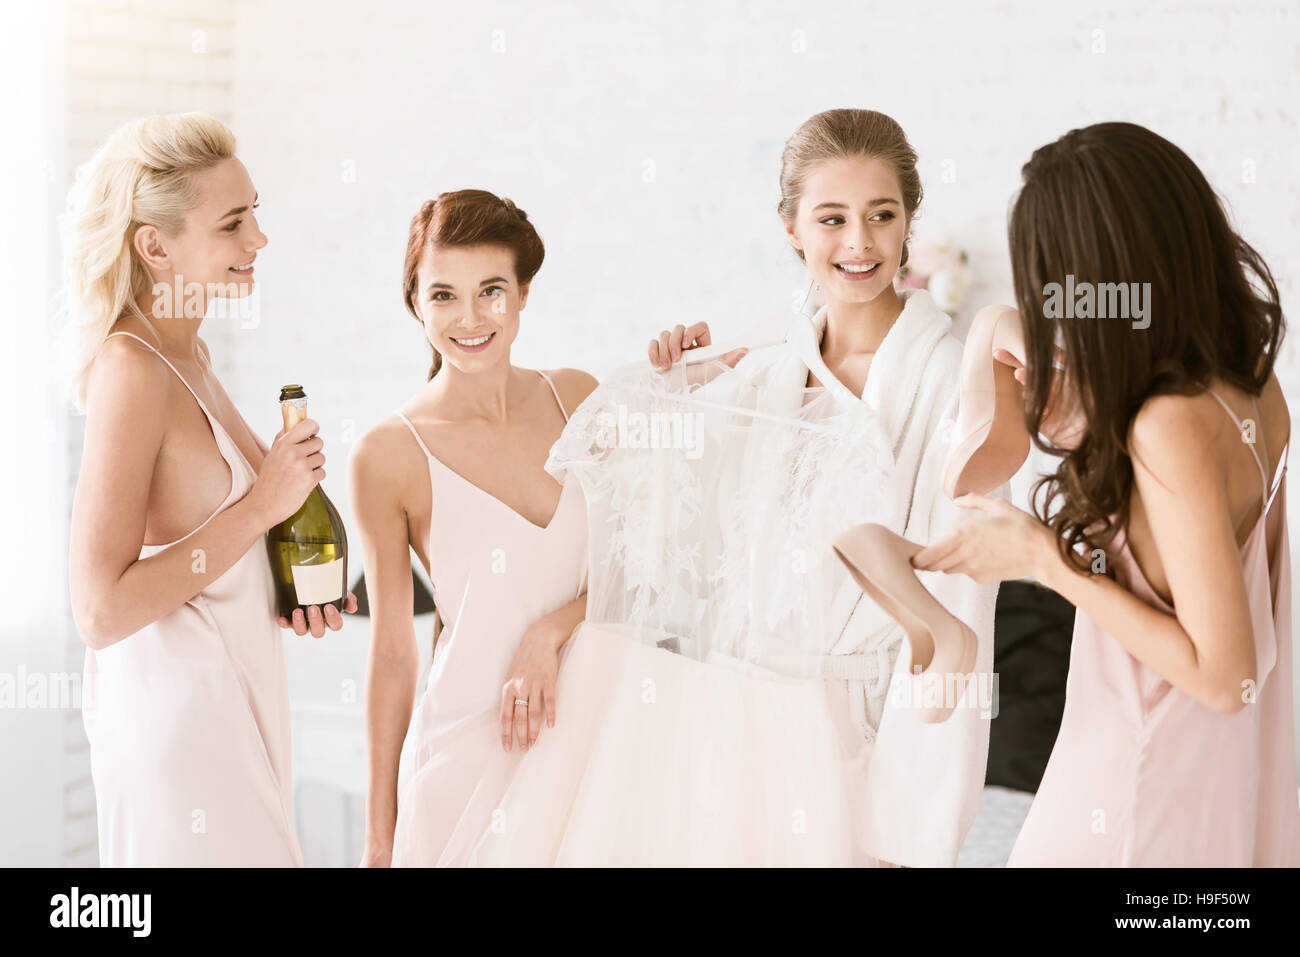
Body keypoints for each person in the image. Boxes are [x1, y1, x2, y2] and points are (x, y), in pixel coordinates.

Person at [913, 121, 1300, 866]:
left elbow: (1225, 676)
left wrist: (1044, 560)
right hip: (1207, 780)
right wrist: (998, 326)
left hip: (1132, 790)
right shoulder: (1250, 383)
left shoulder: (1165, 426)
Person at [66, 112, 354, 866]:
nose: (258, 239)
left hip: (235, 707)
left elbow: (213, 547)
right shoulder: (131, 369)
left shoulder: (187, 350)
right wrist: (264, 503)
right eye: (233, 222)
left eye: (256, 212)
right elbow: (99, 610)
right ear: (155, 245)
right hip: (180, 733)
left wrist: (290, 583)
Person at [351, 190, 596, 867]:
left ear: (523, 293)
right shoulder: (388, 452)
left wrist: (552, 630)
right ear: (415, 303)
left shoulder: (578, 398)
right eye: (443, 295)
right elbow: (394, 653)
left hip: (591, 739)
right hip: (464, 755)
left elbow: (641, 570)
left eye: (491, 290)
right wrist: (379, 838)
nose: (469, 318)